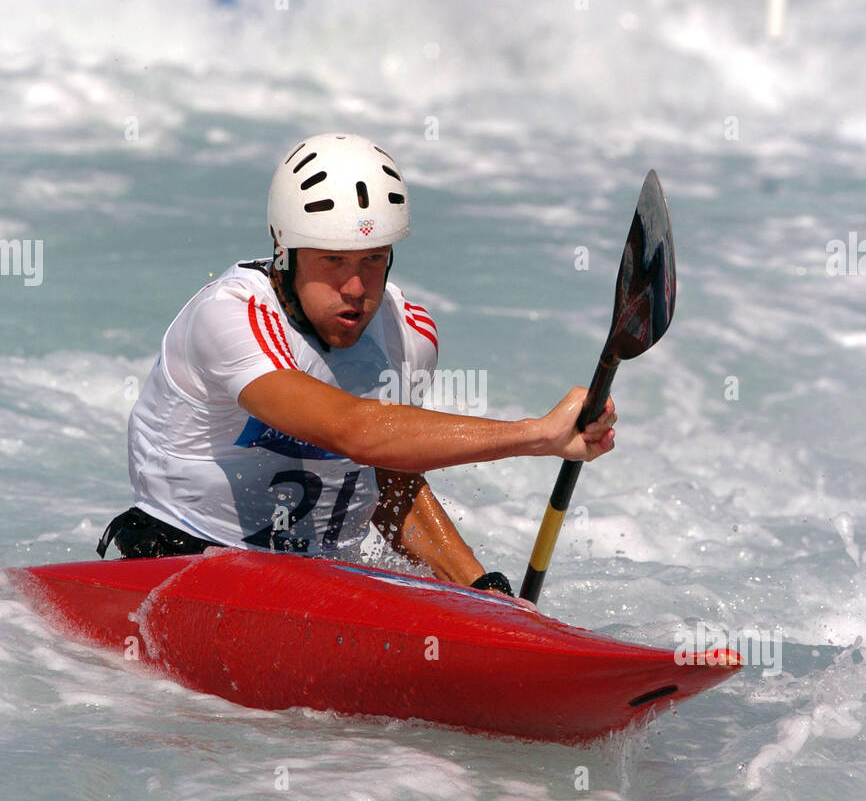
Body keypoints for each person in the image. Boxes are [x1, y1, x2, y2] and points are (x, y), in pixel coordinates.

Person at [98, 133, 617, 593]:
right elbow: (352, 431)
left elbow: (389, 480)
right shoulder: (230, 316)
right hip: (176, 565)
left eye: (372, 260)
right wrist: (535, 435)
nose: (356, 288)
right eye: (332, 260)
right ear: (286, 253)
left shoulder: (409, 335)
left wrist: (481, 589)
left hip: (322, 588)